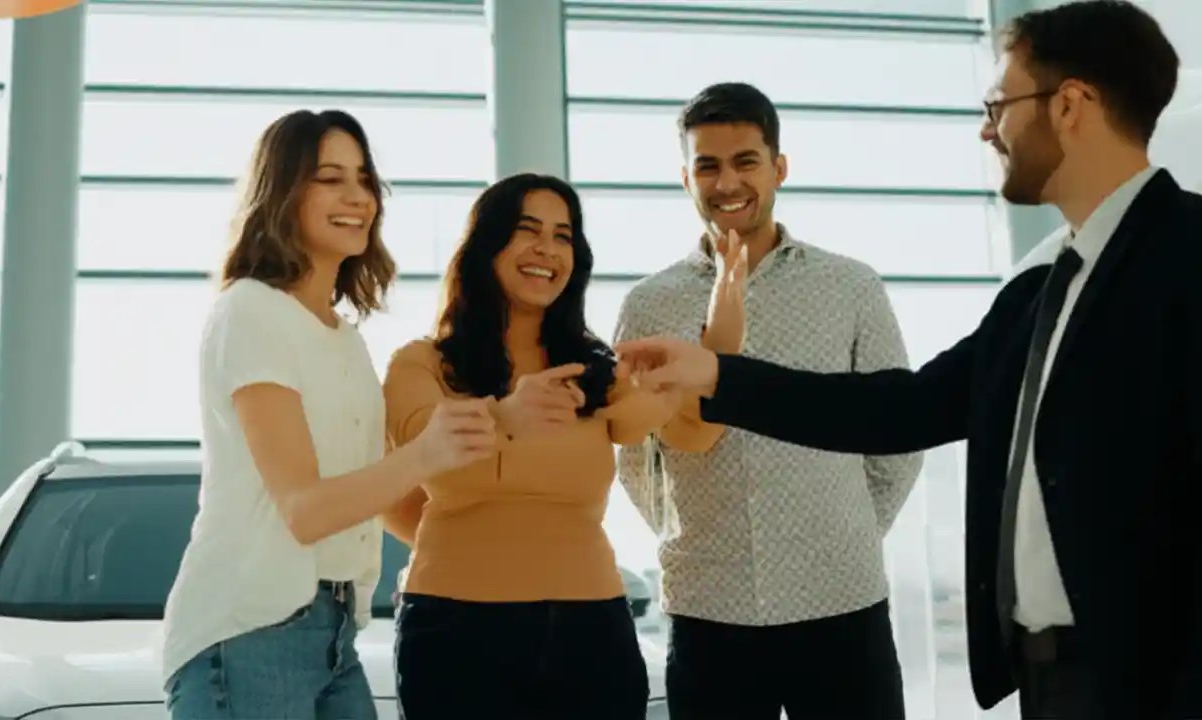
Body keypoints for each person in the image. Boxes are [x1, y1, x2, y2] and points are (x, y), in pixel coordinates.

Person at [614, 2, 1202, 719]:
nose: (987, 129)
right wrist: (716, 375)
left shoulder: (1189, 253)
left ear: (1070, 105)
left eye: (999, 105)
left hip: (1165, 672)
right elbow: (903, 409)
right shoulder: (1040, 290)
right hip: (1060, 678)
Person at [160, 109, 497, 719]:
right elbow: (306, 509)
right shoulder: (251, 312)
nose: (357, 197)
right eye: (330, 178)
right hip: (248, 629)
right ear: (282, 192)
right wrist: (425, 454)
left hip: (334, 632)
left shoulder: (342, 337)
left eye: (365, 178)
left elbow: (376, 493)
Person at [613, 81, 923, 720]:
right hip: (708, 607)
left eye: (744, 161)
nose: (726, 182)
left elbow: (897, 433)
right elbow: (635, 456)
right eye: (708, 165)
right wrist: (687, 532)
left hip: (843, 600)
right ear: (686, 177)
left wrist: (849, 531)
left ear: (778, 167)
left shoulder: (851, 287)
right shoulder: (650, 304)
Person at [380, 172, 732, 720]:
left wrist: (724, 319)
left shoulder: (597, 372)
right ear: (486, 244)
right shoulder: (421, 364)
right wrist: (506, 414)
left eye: (563, 235)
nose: (548, 248)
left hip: (591, 632)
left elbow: (696, 427)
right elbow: (426, 454)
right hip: (455, 631)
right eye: (528, 230)